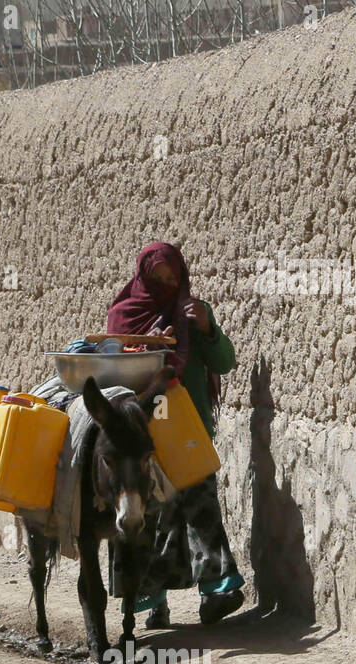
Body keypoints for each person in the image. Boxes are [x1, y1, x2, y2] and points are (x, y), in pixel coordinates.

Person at [106, 241, 246, 629]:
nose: (169, 286)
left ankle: (218, 592)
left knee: (201, 505)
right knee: (147, 514)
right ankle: (152, 600)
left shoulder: (193, 313)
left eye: (175, 278)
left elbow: (225, 361)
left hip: (187, 426)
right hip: (141, 431)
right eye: (159, 279)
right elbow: (114, 369)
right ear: (143, 277)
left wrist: (207, 328)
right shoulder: (123, 315)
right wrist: (147, 343)